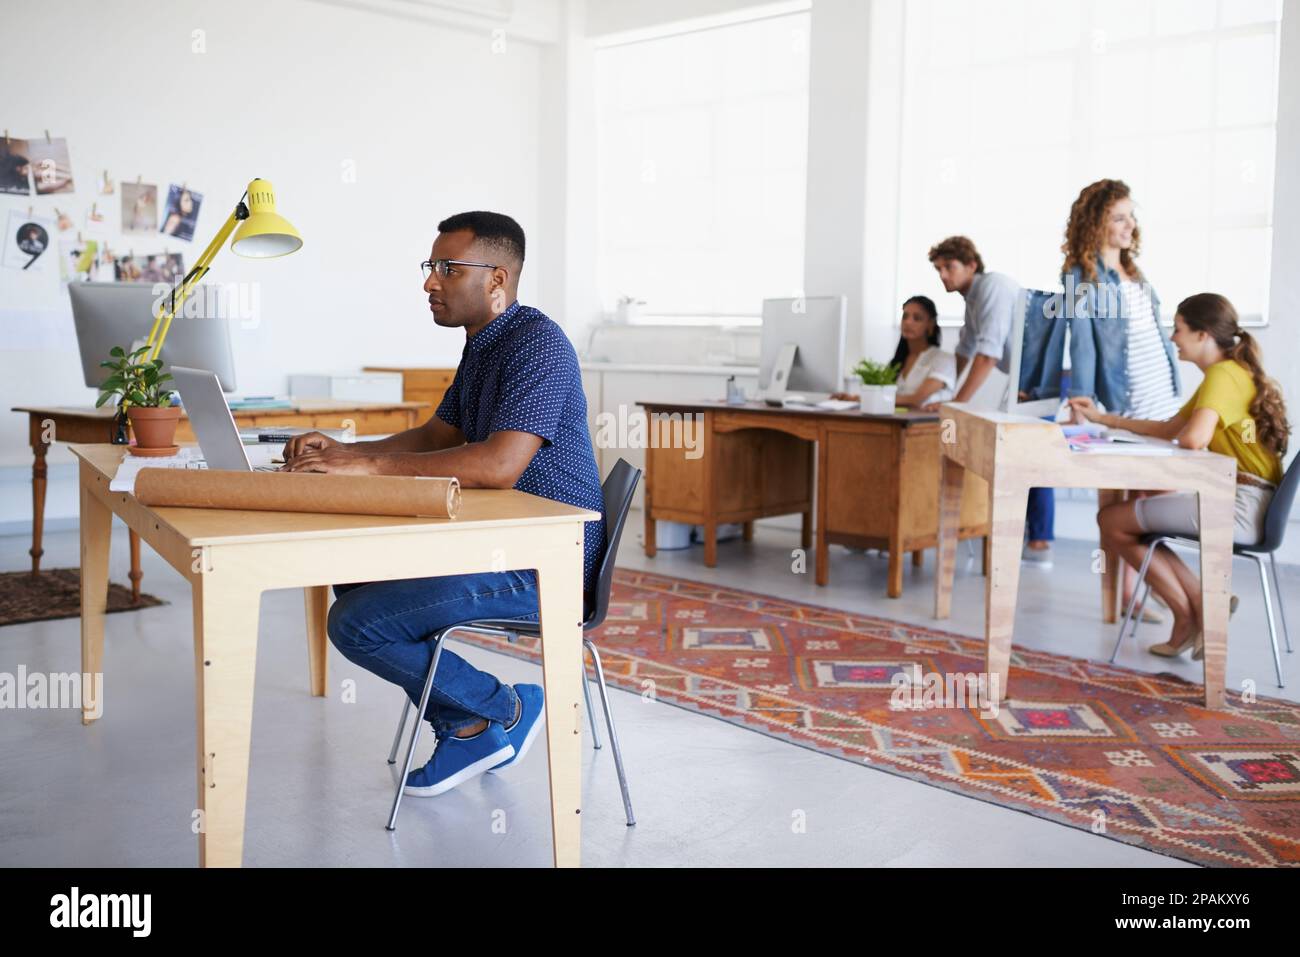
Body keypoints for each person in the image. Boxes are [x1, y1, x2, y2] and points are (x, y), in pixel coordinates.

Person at [282, 211, 607, 797]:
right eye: (430, 267)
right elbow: (439, 437)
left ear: (497, 280)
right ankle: (467, 720)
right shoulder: (483, 345)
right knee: (355, 582)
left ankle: (500, 709)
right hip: (499, 545)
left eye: (446, 268)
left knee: (357, 624)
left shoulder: (538, 346)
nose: (429, 282)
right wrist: (345, 449)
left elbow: (498, 465)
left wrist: (367, 466)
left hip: (544, 565)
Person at [1070, 293, 1289, 659]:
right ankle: (1202, 608)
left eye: (1179, 329)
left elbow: (1192, 437)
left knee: (1112, 521)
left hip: (1241, 508)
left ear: (1203, 335)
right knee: (1130, 524)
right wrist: (1103, 419)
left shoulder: (1223, 374)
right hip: (1245, 501)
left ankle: (1188, 615)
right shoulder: (1227, 374)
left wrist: (1186, 436)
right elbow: (1170, 427)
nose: (1172, 338)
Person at [1064, 178, 1183, 612]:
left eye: (1132, 215)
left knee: (1150, 499)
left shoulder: (1135, 272)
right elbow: (1081, 340)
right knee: (1135, 499)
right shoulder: (1082, 274)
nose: (1130, 224)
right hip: (1125, 396)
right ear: (1096, 223)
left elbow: (1152, 333)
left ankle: (1142, 591)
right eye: (1119, 217)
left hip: (1161, 391)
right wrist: (1081, 399)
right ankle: (1135, 593)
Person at [926, 235, 1055, 564]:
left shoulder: (992, 288)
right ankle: (1023, 535)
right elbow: (965, 351)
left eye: (949, 267)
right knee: (1018, 455)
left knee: (1032, 457)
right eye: (938, 269)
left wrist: (954, 405)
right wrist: (946, 395)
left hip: (1042, 378)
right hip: (1025, 379)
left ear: (971, 265)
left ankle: (1040, 543)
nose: (942, 275)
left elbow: (987, 355)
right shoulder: (972, 298)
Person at [832, 296, 956, 408]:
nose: (908, 322)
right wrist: (852, 398)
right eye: (905, 316)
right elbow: (881, 393)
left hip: (927, 427)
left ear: (930, 324)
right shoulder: (897, 361)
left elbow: (915, 400)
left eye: (917, 318)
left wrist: (860, 399)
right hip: (897, 423)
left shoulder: (944, 360)